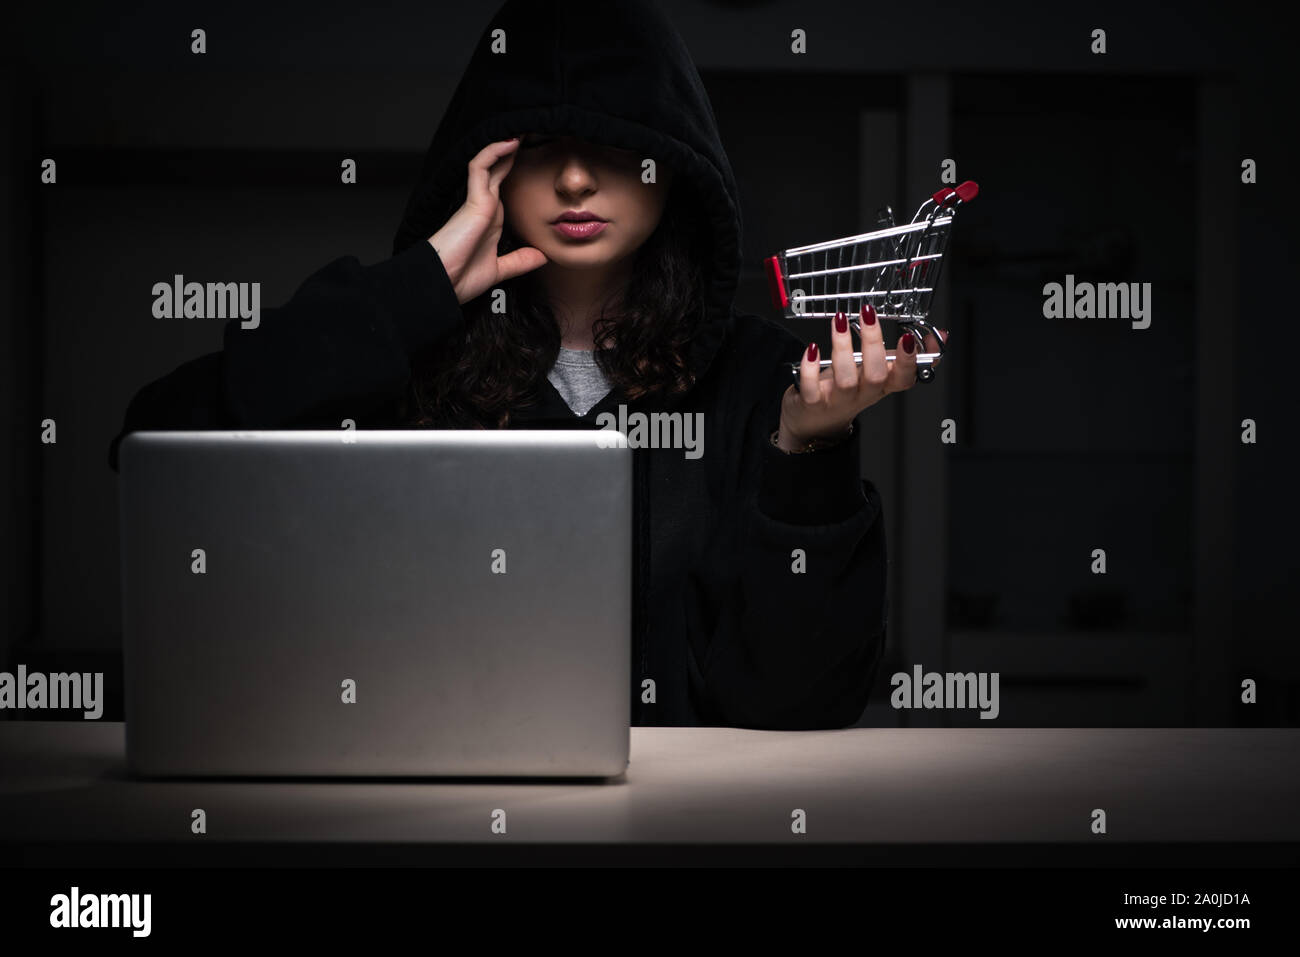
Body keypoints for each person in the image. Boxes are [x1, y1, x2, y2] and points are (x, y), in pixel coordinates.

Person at [108, 0, 944, 729]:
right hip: (431, 812)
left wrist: (807, 454)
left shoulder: (765, 375)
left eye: (616, 146)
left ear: (674, 168)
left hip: (682, 828)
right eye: (538, 147)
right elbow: (151, 433)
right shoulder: (402, 354)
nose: (576, 178)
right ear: (488, 168)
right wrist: (414, 293)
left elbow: (803, 703)